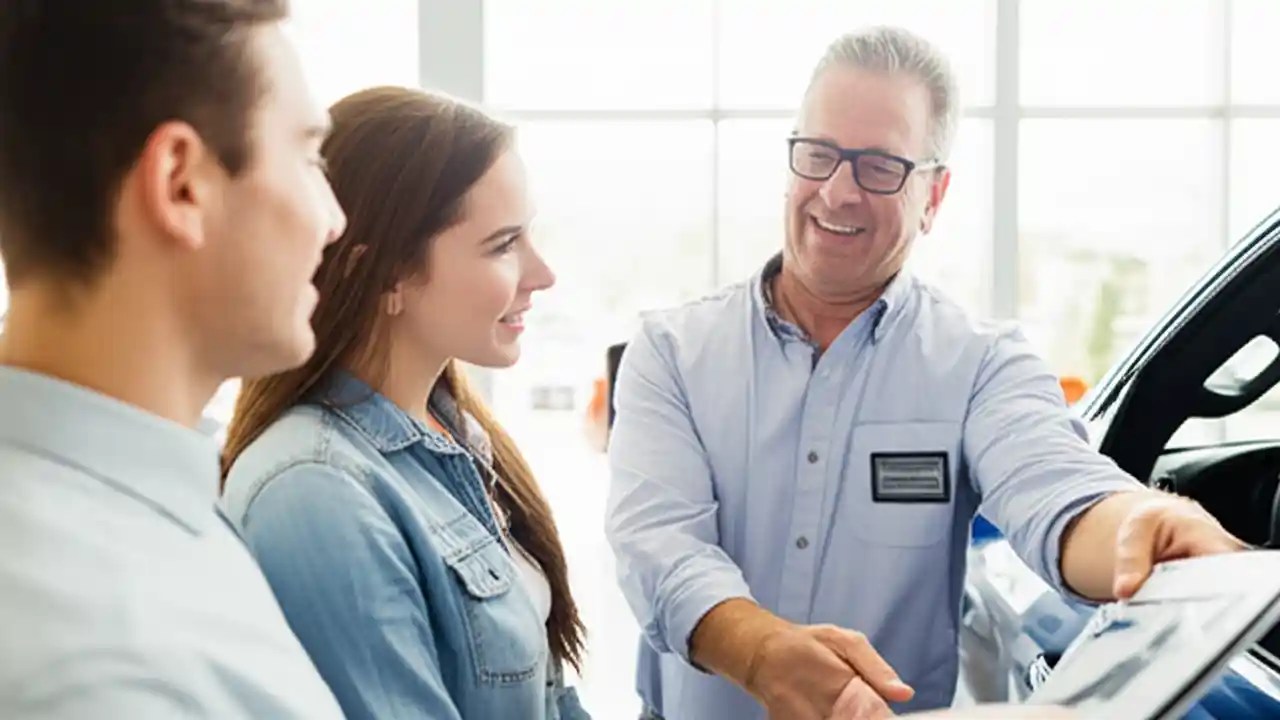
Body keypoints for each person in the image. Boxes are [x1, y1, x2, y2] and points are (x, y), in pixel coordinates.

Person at [605, 25, 1246, 720]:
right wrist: (761, 653)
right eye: (818, 155)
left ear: (934, 196)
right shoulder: (670, 352)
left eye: (880, 166)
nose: (838, 191)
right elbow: (659, 547)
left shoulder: (980, 366)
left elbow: (1056, 486)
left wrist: (1137, 522)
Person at [0, 2, 347, 717]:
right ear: (181, 183)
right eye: (310, 157)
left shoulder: (138, 505)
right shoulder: (109, 671)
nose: (334, 219)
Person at [219, 86, 590, 720]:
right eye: (504, 245)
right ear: (386, 273)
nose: (542, 273)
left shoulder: (455, 434)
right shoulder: (314, 493)